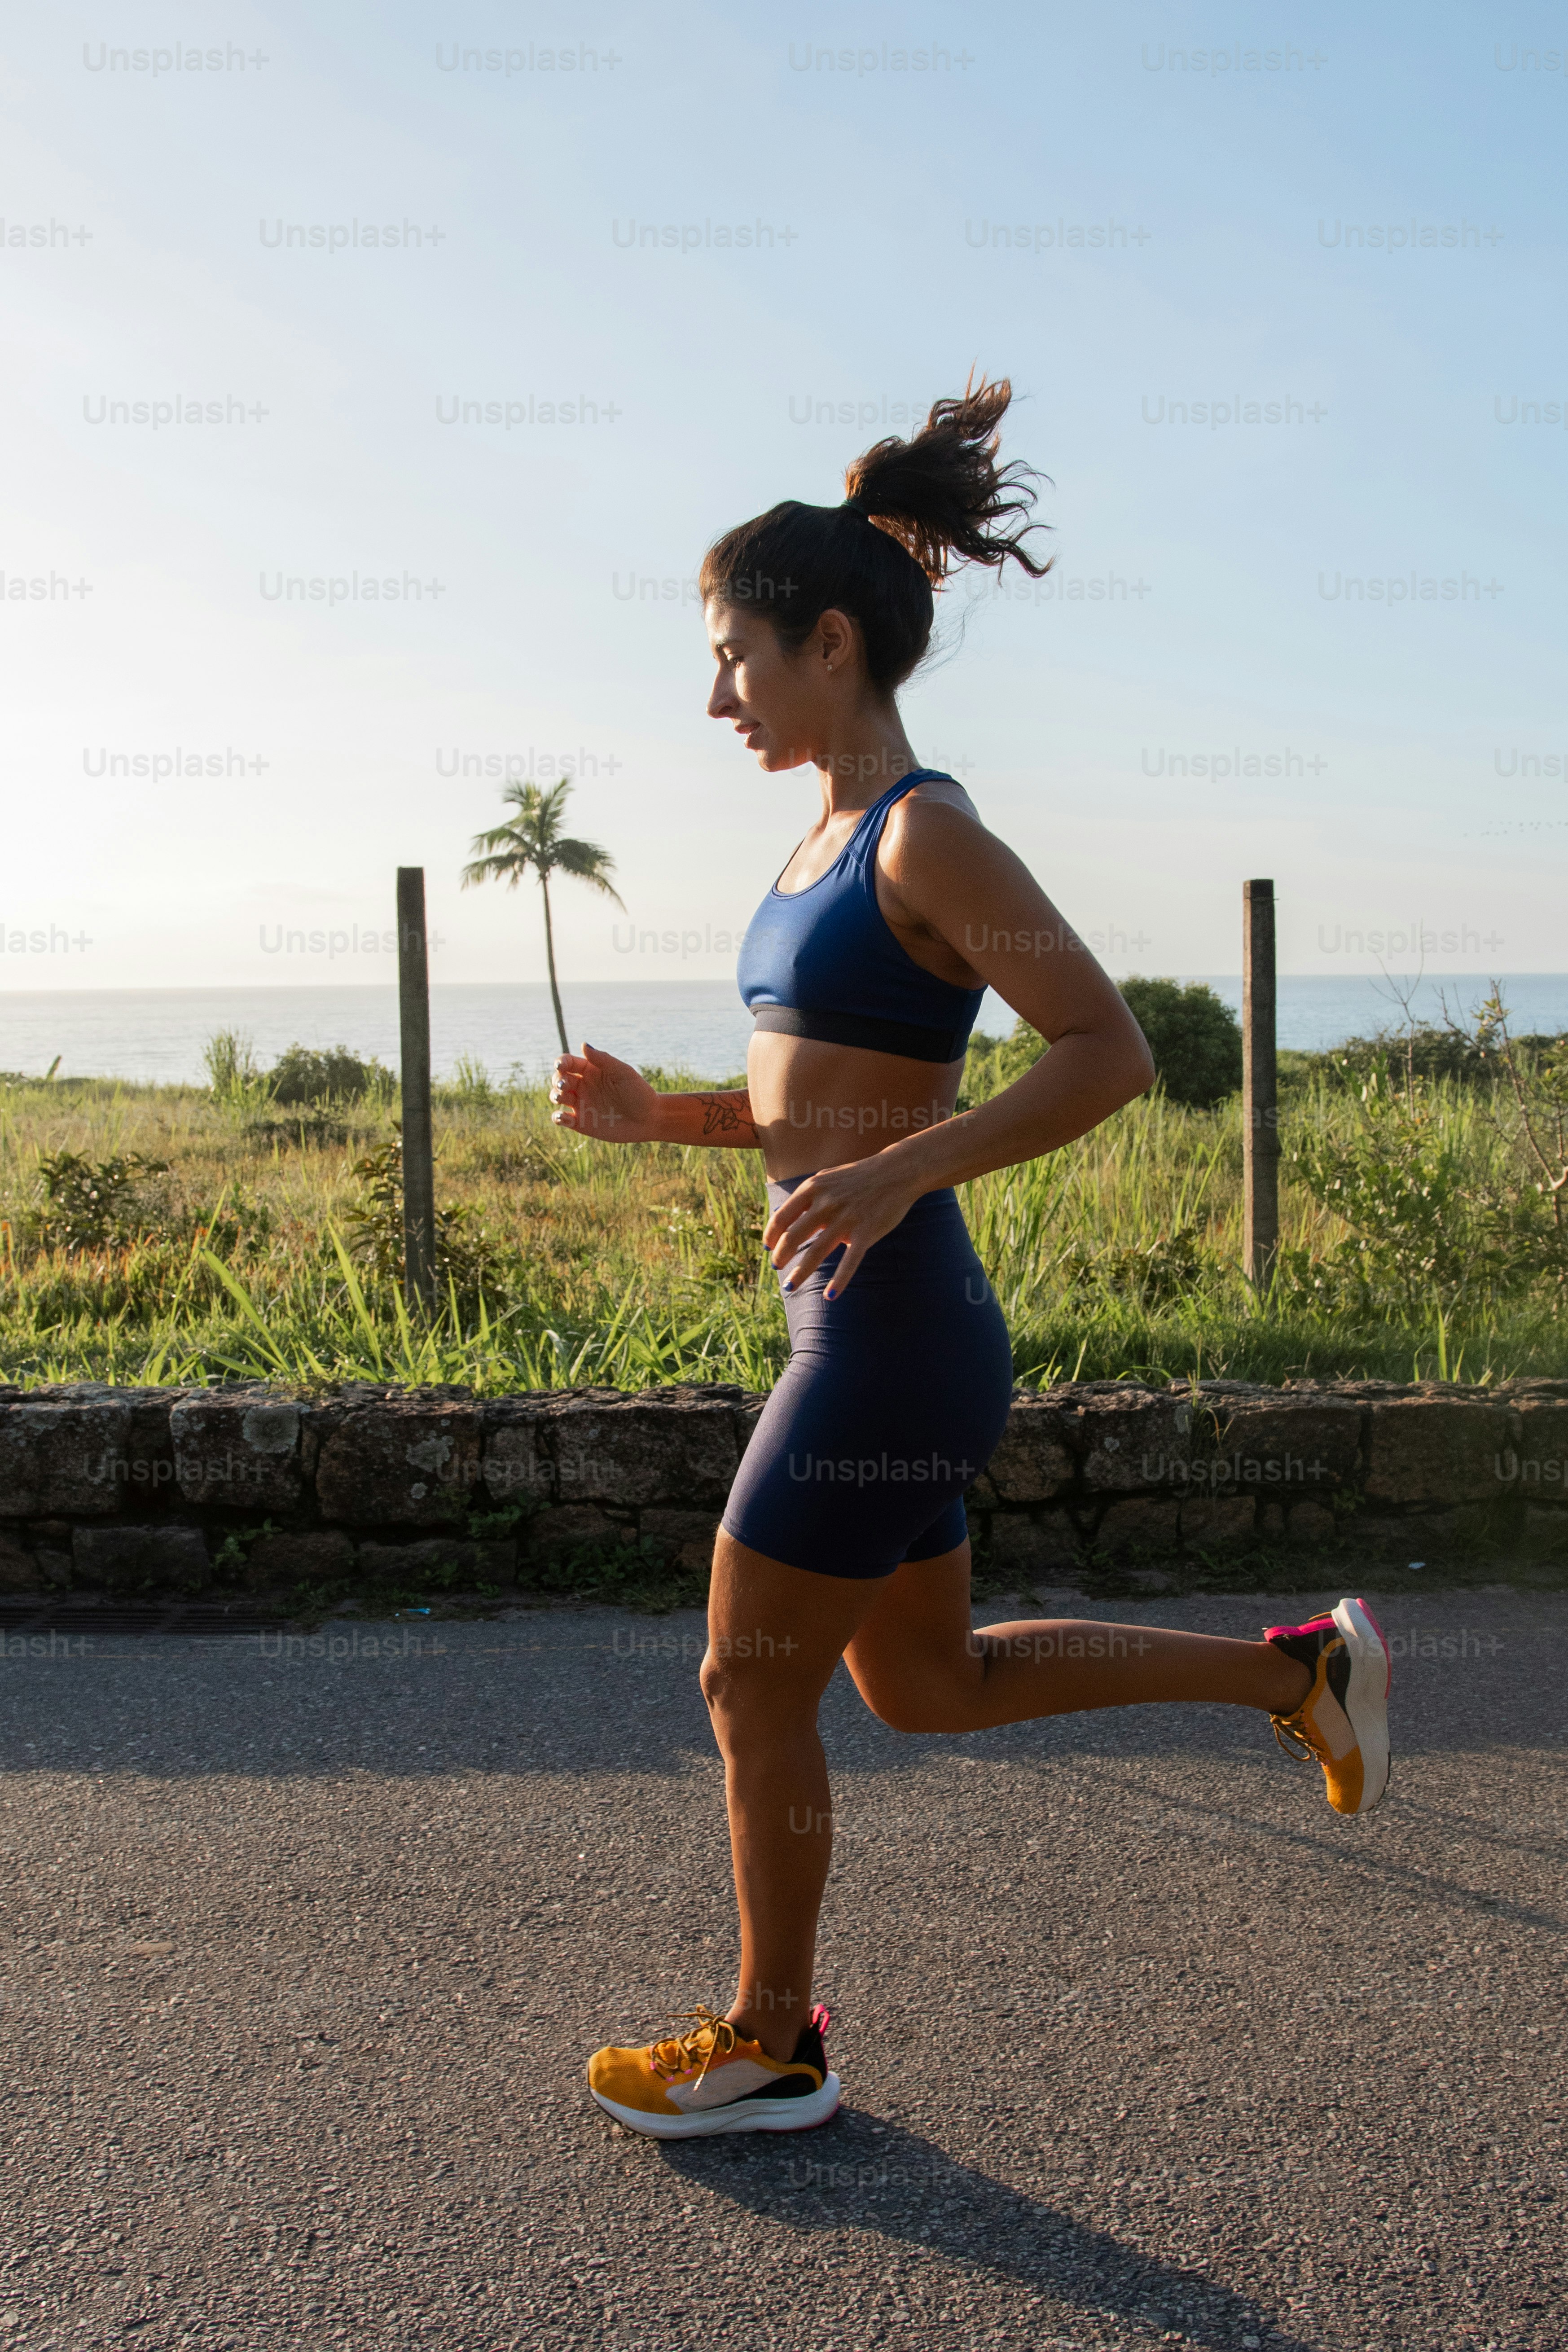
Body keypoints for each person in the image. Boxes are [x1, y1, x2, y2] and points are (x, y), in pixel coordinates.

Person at [549, 380, 1391, 2142]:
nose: (716, 694)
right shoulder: (813, 847)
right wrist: (660, 1118)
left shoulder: (929, 831)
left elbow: (1104, 1047)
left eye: (735, 657)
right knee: (925, 1685)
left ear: (828, 639)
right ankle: (1295, 1668)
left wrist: (901, 1171)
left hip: (889, 1339)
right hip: (864, 1320)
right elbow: (808, 1114)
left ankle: (771, 2039)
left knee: (744, 1676)